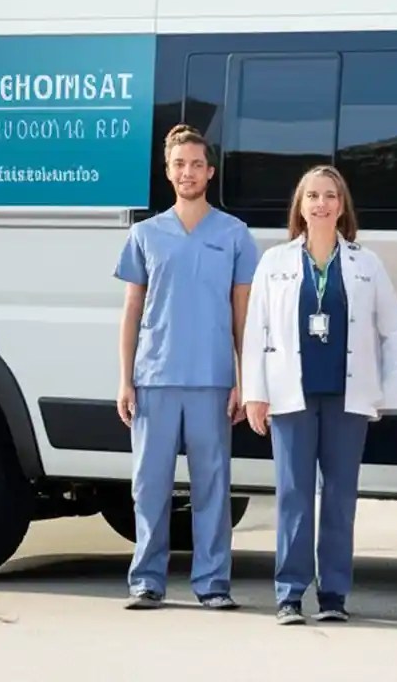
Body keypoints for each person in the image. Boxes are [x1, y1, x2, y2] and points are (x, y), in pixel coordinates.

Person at [241, 165, 397, 626]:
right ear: (300, 206)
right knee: (294, 494)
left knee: (339, 496)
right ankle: (290, 594)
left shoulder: (365, 263)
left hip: (347, 398)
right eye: (312, 196)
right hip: (289, 397)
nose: (321, 204)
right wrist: (255, 394)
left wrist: (387, 394)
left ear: (342, 205)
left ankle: (333, 594)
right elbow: (256, 331)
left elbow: (395, 330)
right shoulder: (274, 263)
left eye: (329, 195)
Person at [114, 123, 259, 610]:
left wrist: (244, 379)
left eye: (197, 164)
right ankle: (147, 580)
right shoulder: (145, 234)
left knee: (212, 488)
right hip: (154, 377)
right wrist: (124, 380)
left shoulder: (234, 234)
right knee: (148, 486)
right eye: (180, 164)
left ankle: (213, 583)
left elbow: (243, 313)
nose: (188, 172)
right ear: (168, 170)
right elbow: (132, 309)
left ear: (210, 171)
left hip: (213, 380)